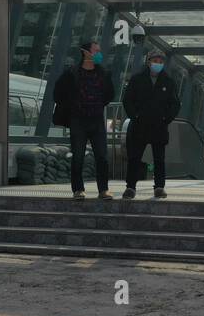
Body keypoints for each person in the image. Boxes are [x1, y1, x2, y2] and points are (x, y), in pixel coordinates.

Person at [53, 41, 115, 199]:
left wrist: (98, 104)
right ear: (86, 53)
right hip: (78, 121)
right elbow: (58, 93)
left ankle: (103, 189)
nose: (99, 54)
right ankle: (78, 189)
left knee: (102, 156)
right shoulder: (72, 73)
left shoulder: (103, 73)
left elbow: (110, 94)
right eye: (96, 51)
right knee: (78, 156)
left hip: (97, 120)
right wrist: (72, 106)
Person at [121, 46, 180, 199]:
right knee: (135, 157)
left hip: (159, 126)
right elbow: (127, 100)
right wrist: (135, 116)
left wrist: (166, 118)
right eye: (155, 60)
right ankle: (130, 187)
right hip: (140, 125)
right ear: (148, 62)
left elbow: (175, 104)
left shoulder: (168, 81)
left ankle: (159, 187)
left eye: (161, 61)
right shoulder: (137, 79)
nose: (158, 63)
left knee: (159, 158)